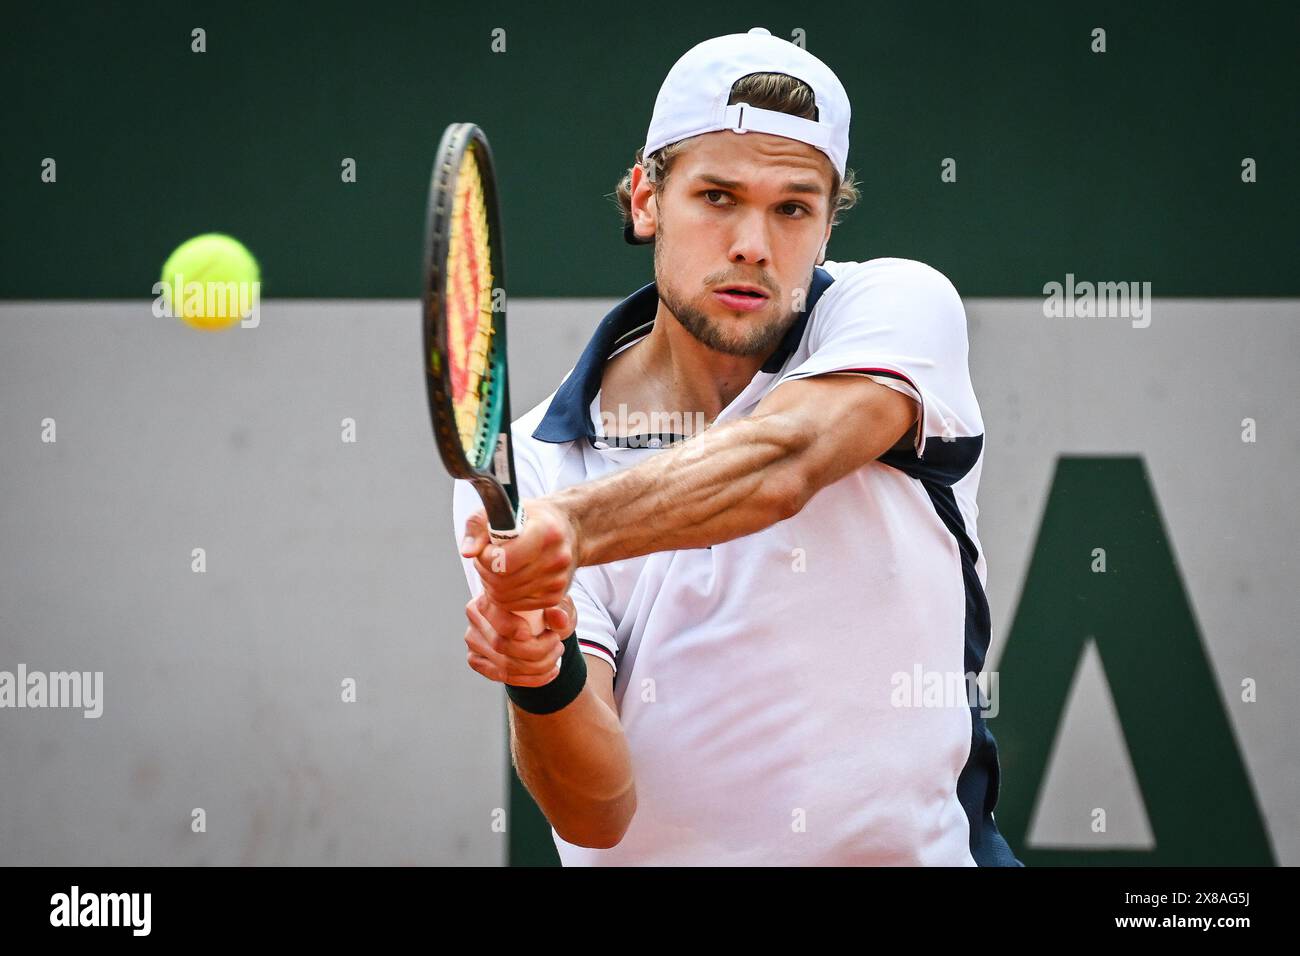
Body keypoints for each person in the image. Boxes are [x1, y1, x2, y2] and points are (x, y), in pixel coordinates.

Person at [453, 27, 1021, 866]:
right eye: (717, 196)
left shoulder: (901, 311)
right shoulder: (533, 462)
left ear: (828, 226)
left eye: (793, 207)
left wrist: (566, 529)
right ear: (646, 199)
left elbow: (781, 463)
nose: (754, 242)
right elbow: (597, 815)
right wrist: (539, 672)